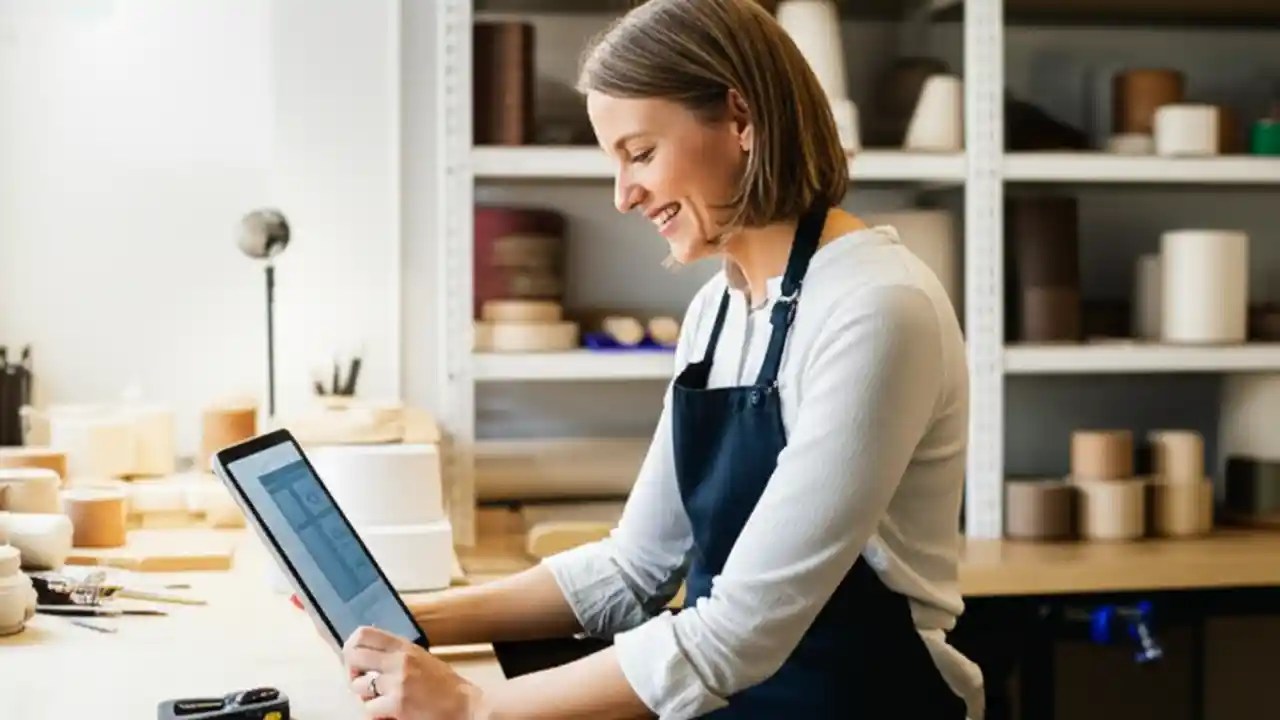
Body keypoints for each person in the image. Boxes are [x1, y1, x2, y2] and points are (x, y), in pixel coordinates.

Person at [337, 0, 983, 717]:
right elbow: (632, 568)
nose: (623, 196)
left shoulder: (877, 307)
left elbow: (737, 634)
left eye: (640, 154)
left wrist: (473, 707)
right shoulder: (718, 309)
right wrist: (411, 622)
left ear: (741, 120)